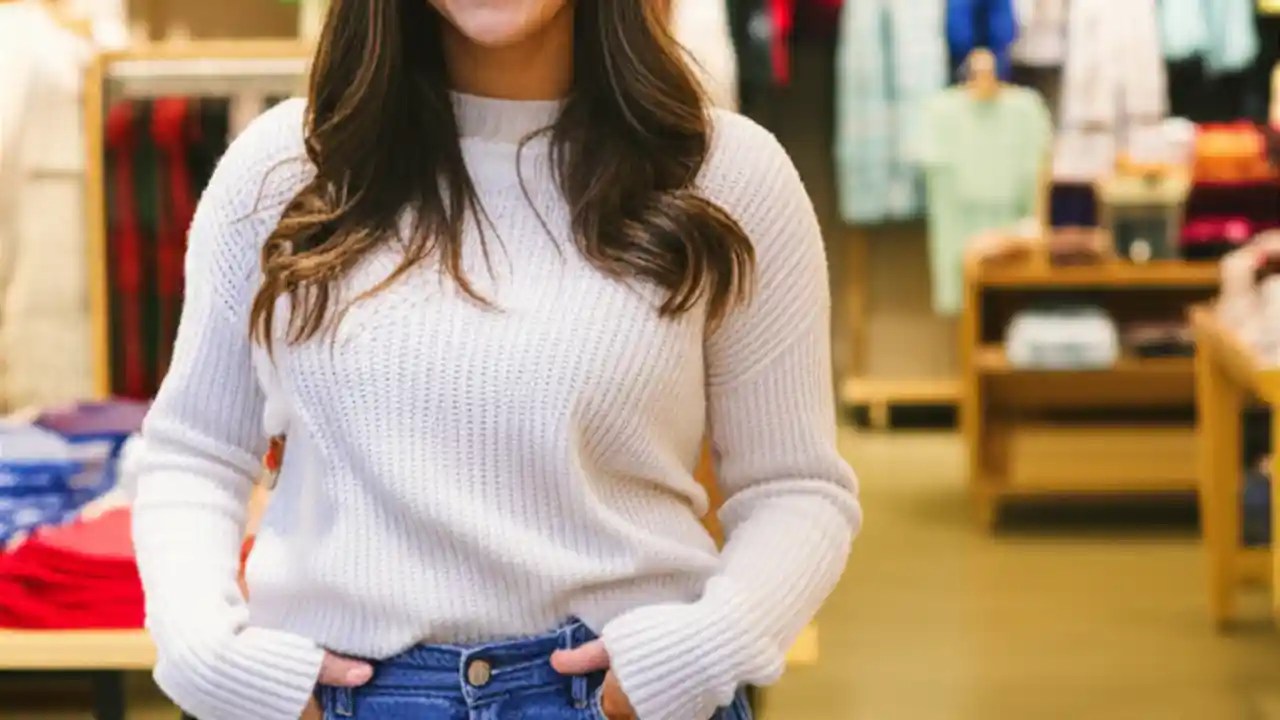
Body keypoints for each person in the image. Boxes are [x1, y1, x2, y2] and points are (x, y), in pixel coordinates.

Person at [130, 1, 861, 719]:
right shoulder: (285, 171)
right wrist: (210, 660)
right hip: (338, 691)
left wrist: (703, 651)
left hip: (619, 690)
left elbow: (795, 487)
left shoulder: (725, 176)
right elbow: (194, 452)